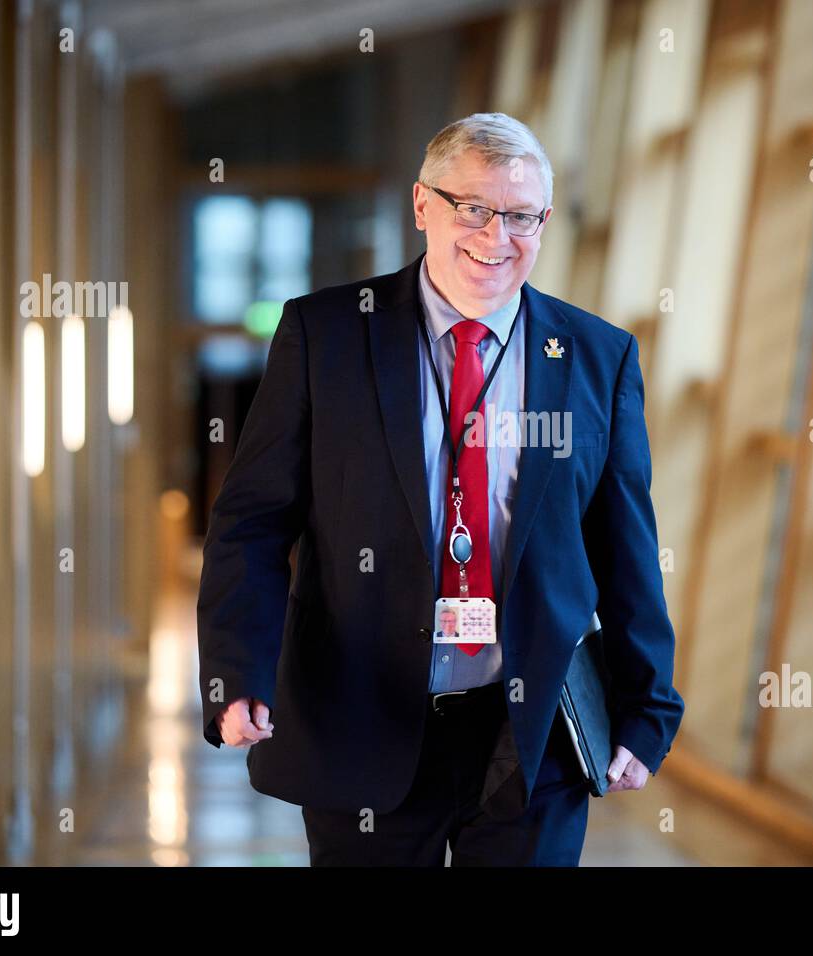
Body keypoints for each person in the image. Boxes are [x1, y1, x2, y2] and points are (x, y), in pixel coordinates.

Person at [197, 111, 684, 866]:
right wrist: (236, 671)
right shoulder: (326, 335)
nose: (497, 239)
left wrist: (648, 706)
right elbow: (253, 522)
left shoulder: (598, 355)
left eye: (521, 216)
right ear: (423, 206)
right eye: (475, 209)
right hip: (363, 716)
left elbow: (626, 547)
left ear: (546, 221)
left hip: (532, 733)